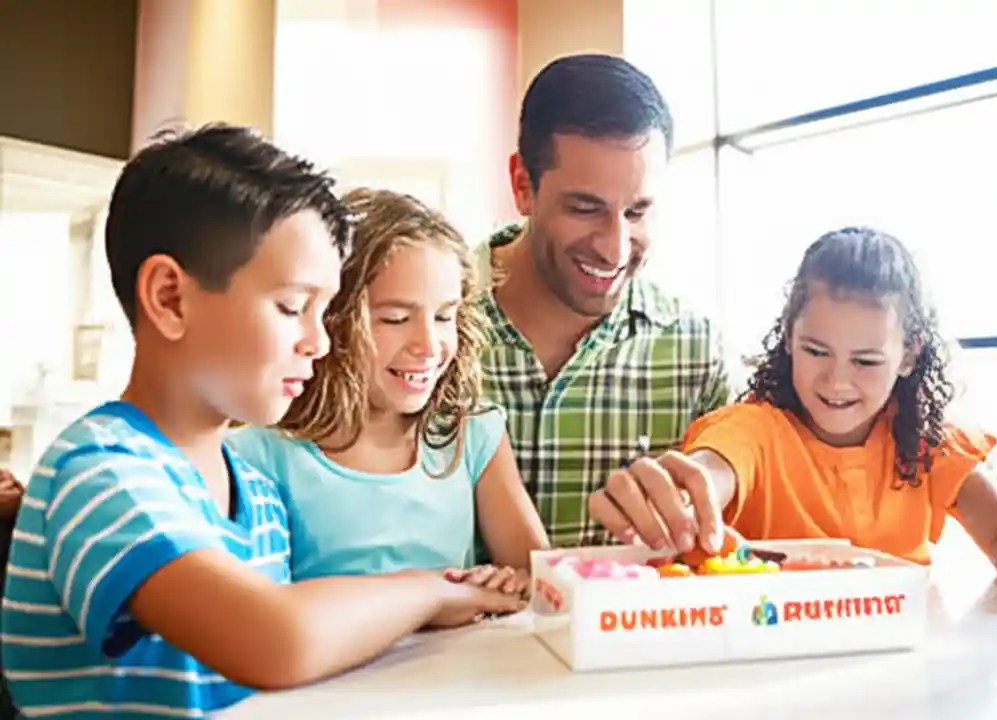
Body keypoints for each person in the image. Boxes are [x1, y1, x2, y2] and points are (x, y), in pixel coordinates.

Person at [0, 125, 521, 719]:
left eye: (325, 312)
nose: (320, 343)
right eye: (293, 307)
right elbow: (276, 641)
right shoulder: (101, 474)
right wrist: (433, 590)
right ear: (170, 298)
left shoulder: (255, 494)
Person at [589, 226, 997, 615]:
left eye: (865, 361)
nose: (837, 382)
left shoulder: (927, 442)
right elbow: (710, 470)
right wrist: (682, 493)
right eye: (816, 351)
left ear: (909, 355)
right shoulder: (754, 429)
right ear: (788, 337)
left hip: (901, 669)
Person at [229, 188, 547, 590]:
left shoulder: (472, 434)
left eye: (444, 317)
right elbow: (260, 610)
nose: (428, 346)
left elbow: (540, 577)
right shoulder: (261, 453)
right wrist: (438, 597)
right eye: (395, 318)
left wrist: (504, 583)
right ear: (331, 320)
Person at [477, 53, 731, 551]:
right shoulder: (422, 327)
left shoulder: (696, 353)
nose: (614, 250)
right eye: (584, 208)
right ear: (523, 186)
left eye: (637, 212)